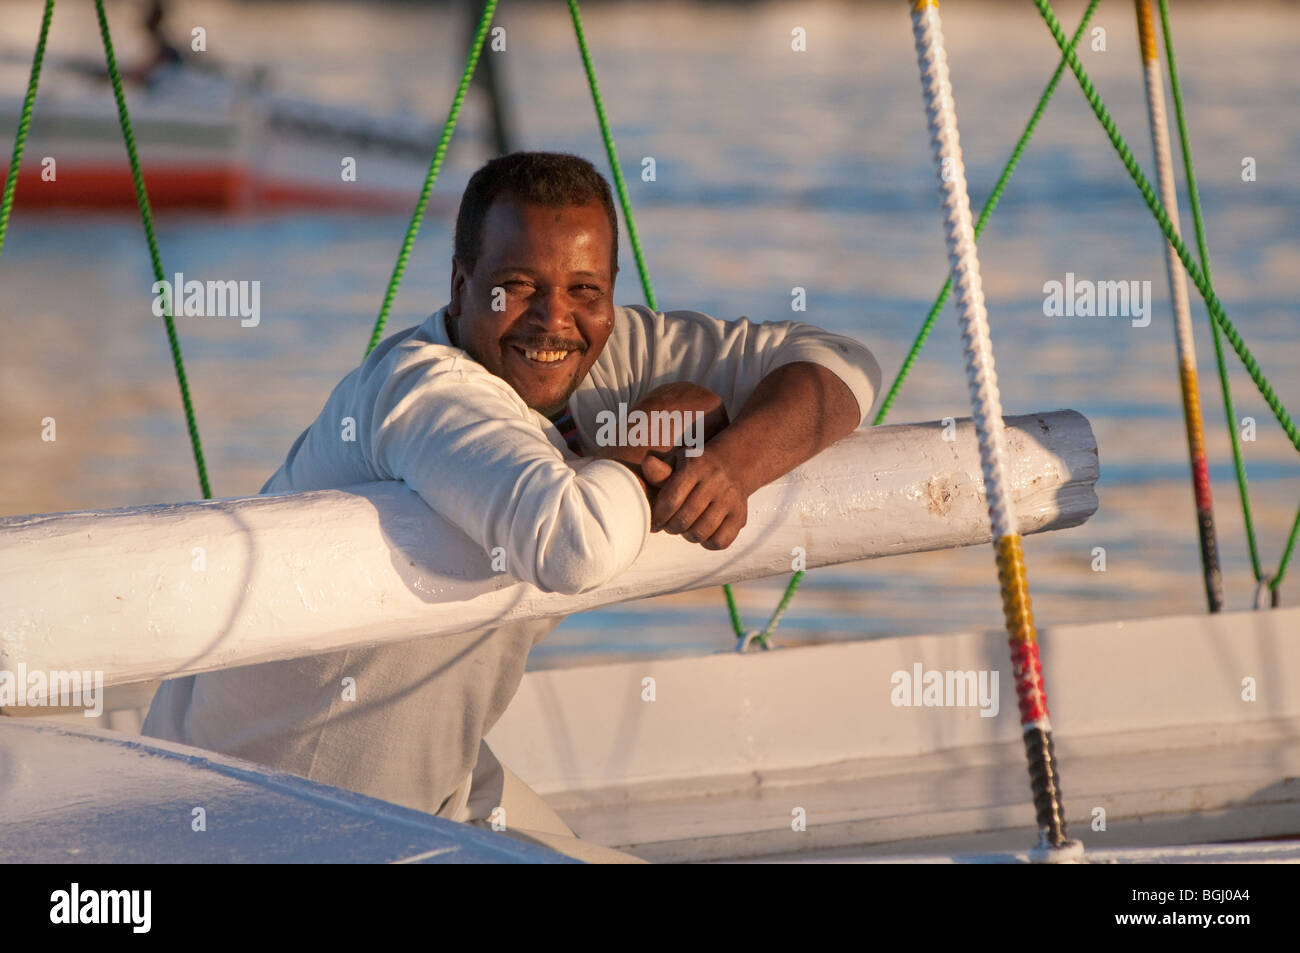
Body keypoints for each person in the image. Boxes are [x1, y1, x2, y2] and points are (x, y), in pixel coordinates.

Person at [142, 151, 881, 862]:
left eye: (585, 291)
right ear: (461, 286)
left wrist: (730, 463)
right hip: (261, 815)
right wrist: (633, 452)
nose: (554, 321)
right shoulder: (422, 390)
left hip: (436, 786)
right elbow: (573, 541)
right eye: (518, 286)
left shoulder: (612, 348)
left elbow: (844, 365)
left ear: (611, 291)